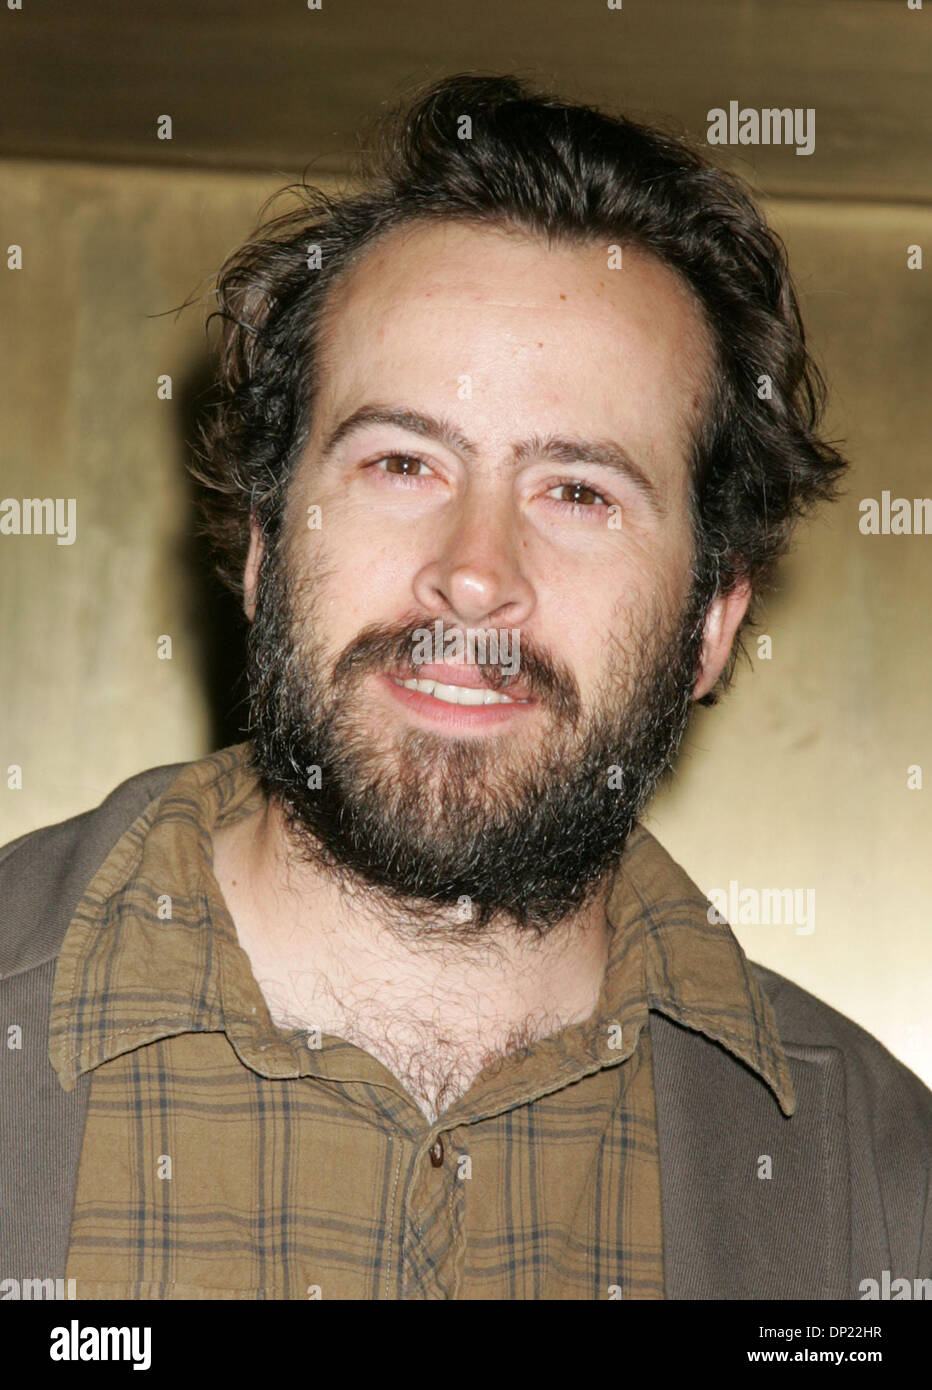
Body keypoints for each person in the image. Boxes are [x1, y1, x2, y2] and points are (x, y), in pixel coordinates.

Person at [2, 73, 929, 1302]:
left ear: (711, 622)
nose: (474, 576)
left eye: (579, 492)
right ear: (267, 548)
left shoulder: (882, 1191)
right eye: (402, 461)